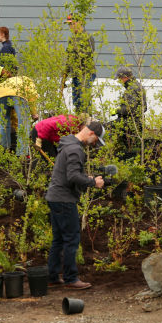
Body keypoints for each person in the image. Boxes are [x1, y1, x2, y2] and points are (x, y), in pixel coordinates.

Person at [44, 120, 106, 289]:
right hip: (64, 200)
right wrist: (93, 182)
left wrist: (88, 178)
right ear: (91, 134)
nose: (94, 145)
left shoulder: (67, 144)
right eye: (96, 141)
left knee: (58, 240)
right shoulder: (75, 149)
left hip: (54, 197)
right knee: (71, 239)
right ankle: (71, 279)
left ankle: (53, 276)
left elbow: (69, 174)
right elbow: (72, 177)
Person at [0, 76, 39, 156]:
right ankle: (22, 154)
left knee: (4, 123)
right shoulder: (29, 82)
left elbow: (13, 115)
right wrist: (34, 113)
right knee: (23, 124)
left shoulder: (11, 80)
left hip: (1, 92)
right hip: (18, 94)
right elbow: (32, 97)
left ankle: (4, 151)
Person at [66, 14, 96, 113]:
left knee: (84, 100)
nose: (71, 26)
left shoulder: (87, 37)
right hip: (75, 74)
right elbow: (69, 58)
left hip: (86, 73)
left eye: (73, 24)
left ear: (80, 23)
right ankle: (79, 122)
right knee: (76, 101)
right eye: (69, 25)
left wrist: (75, 49)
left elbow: (88, 54)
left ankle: (88, 123)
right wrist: (65, 73)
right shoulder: (72, 39)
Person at [112, 66, 147, 148]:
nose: (119, 81)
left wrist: (116, 111)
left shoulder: (131, 89)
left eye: (120, 79)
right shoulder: (138, 85)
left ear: (125, 77)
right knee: (133, 145)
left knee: (106, 128)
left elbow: (129, 109)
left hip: (130, 123)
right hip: (138, 122)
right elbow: (144, 107)